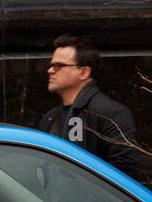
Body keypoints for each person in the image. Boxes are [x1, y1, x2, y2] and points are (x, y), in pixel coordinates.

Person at [39, 35, 141, 179]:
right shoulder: (51, 118)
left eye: (59, 66)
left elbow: (124, 174)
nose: (50, 70)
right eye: (51, 65)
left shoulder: (110, 113)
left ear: (84, 72)